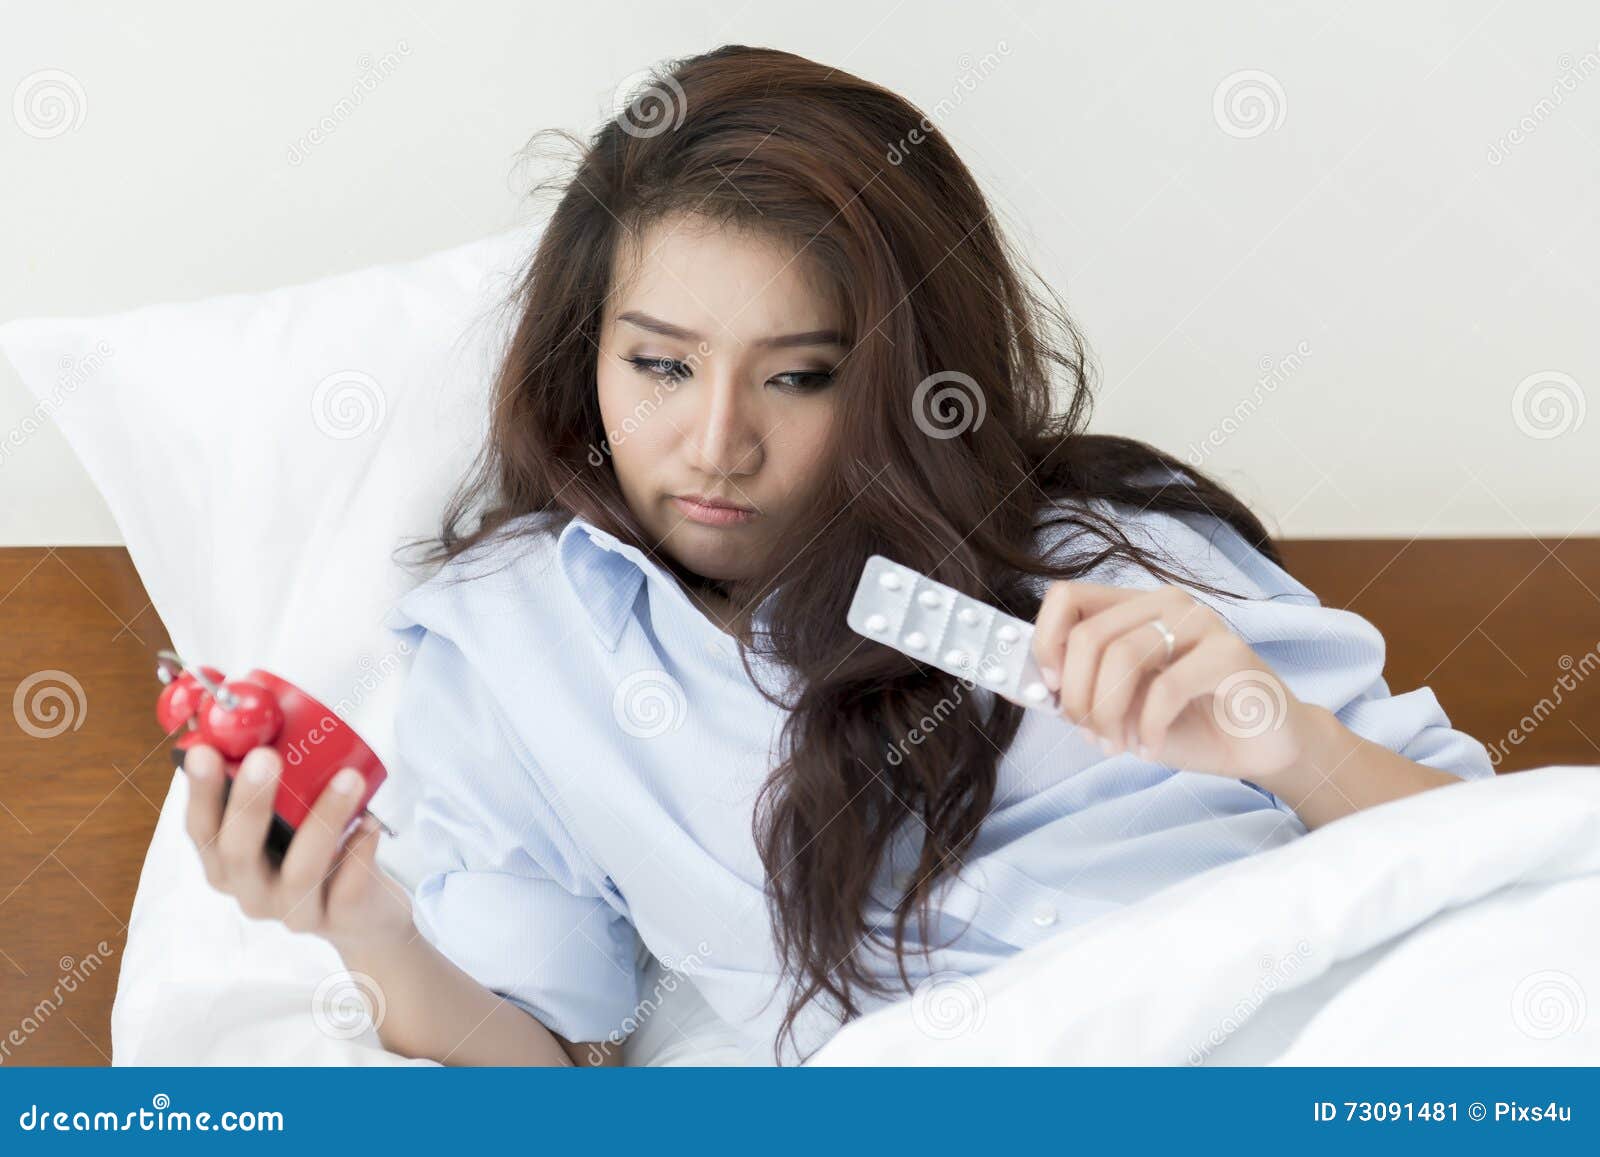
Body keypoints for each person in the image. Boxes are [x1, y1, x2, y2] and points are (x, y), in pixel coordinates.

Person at [180, 44, 1494, 1067]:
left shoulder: (1104, 543)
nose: (715, 443)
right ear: (586, 356)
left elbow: (1495, 859)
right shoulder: (521, 642)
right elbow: (552, 1063)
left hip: (1353, 1031)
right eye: (659, 364)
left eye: (799, 376)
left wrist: (1282, 740)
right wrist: (362, 920)